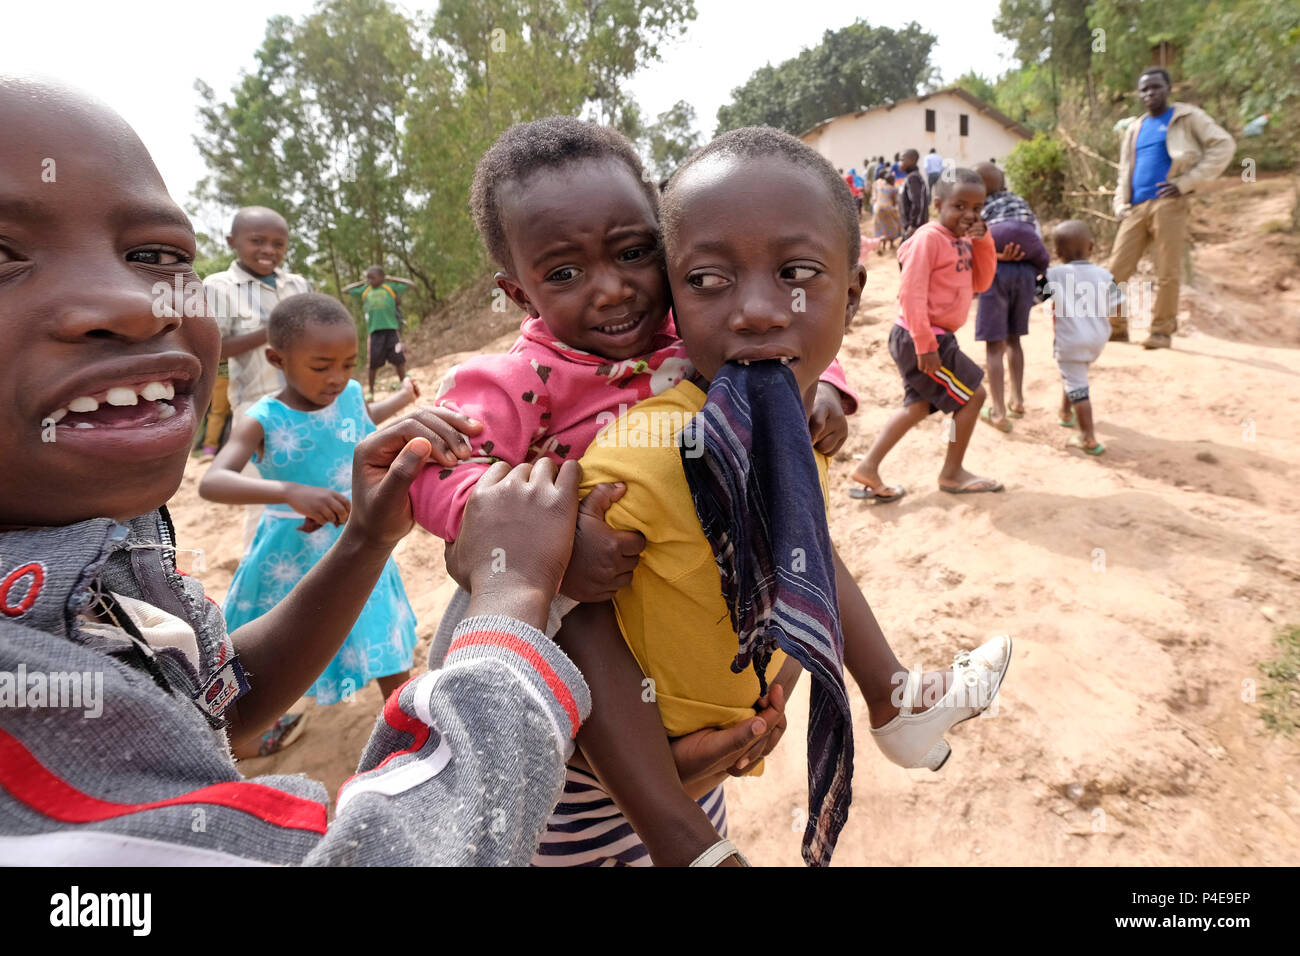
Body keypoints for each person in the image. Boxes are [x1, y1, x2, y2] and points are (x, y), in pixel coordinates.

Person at [0, 78, 610, 867]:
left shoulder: (93, 560)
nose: (130, 303)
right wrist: (511, 597)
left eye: (154, 256)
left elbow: (213, 700)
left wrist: (363, 541)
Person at [548, 128, 1012, 867]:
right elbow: (557, 607)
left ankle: (893, 698)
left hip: (711, 754)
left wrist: (780, 674)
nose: (757, 310)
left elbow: (777, 570)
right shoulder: (645, 449)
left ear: (853, 295)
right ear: (673, 301)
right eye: (706, 282)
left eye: (796, 271)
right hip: (585, 797)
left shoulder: (784, 424)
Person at [199, 294, 423, 710]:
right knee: (285, 643)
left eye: (347, 364)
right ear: (276, 358)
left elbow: (363, 415)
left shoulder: (350, 394)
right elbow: (213, 482)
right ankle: (258, 723)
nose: (336, 377)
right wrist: (288, 492)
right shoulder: (263, 419)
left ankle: (405, 716)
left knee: (376, 623)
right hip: (291, 552)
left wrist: (403, 400)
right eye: (321, 366)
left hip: (357, 537)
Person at [851, 167, 1002, 499]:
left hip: (931, 337)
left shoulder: (962, 241)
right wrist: (925, 343)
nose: (969, 214)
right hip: (923, 337)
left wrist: (984, 240)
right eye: (959, 206)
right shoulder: (929, 238)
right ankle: (952, 473)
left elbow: (982, 282)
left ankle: (868, 467)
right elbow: (911, 293)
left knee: (917, 407)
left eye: (977, 209)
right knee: (973, 397)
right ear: (938, 204)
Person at [205, 205, 314, 579]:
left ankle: (309, 574)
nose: (269, 249)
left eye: (278, 243)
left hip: (311, 406)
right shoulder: (218, 288)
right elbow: (212, 350)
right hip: (259, 410)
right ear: (232, 241)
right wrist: (273, 330)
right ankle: (259, 586)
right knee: (264, 500)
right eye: (258, 241)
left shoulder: (297, 285)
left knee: (313, 488)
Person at [1108, 67, 1234, 349]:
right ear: (1139, 94)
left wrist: (1187, 181)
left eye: (1155, 87)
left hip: (1169, 205)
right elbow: (1124, 170)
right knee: (1115, 271)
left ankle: (1161, 332)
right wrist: (1119, 203)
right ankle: (1116, 328)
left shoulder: (1186, 117)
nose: (1150, 93)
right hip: (1135, 207)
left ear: (1168, 89)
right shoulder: (1135, 128)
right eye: (1144, 89)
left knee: (1167, 272)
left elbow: (1224, 145)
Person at [972, 162, 1050, 433]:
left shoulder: (977, 207)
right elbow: (1036, 235)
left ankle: (998, 410)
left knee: (995, 346)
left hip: (996, 273)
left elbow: (971, 242)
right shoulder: (1019, 201)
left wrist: (994, 257)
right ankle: (1017, 400)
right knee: (1014, 340)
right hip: (1026, 273)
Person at [1042, 221, 1118, 455]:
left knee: (1077, 385)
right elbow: (1117, 308)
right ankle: (1066, 413)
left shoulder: (1053, 275)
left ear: (1057, 252)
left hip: (1070, 341)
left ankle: (1088, 437)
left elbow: (1035, 297)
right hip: (1097, 339)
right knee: (1075, 374)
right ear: (1091, 247)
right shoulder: (1105, 276)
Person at [343, 266, 416, 399]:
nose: (370, 280)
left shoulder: (390, 287)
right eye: (368, 277)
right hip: (375, 332)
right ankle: (371, 392)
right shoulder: (365, 290)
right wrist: (363, 282)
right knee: (373, 363)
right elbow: (346, 290)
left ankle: (404, 386)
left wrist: (392, 278)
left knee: (399, 359)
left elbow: (411, 284)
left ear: (382, 277)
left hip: (391, 330)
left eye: (373, 277)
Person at [198, 357, 231, 461]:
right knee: (218, 413)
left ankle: (209, 450)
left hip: (224, 375)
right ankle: (209, 450)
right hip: (227, 375)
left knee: (218, 413)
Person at [898, 148, 930, 241]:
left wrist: (913, 225)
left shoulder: (913, 178)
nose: (899, 163)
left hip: (915, 228)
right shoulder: (911, 177)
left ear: (912, 160)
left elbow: (918, 203)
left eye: (902, 159)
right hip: (911, 227)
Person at [871, 170, 902, 254]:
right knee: (894, 225)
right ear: (892, 181)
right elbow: (894, 202)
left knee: (882, 227)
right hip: (887, 208)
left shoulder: (880, 186)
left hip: (877, 208)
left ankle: (883, 246)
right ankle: (891, 244)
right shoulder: (893, 189)